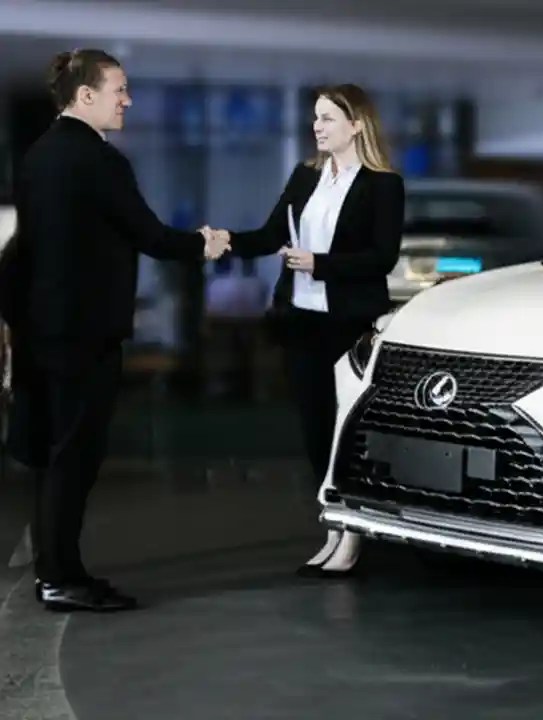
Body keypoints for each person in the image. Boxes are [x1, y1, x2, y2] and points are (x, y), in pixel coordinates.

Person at [0, 49, 229, 612]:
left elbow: (23, 250)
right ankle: (61, 579)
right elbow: (150, 235)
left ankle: (55, 572)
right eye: (119, 89)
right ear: (86, 96)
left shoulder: (38, 155)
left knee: (53, 456)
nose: (128, 100)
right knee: (75, 458)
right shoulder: (99, 161)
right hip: (84, 335)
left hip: (39, 331)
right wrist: (203, 245)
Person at [204, 84, 405, 578]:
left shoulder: (383, 185)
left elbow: (382, 258)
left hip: (348, 326)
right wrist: (226, 240)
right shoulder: (305, 176)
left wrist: (319, 263)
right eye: (316, 117)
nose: (317, 126)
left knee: (346, 434)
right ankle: (334, 528)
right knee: (316, 433)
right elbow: (271, 235)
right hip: (302, 322)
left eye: (328, 118)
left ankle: (352, 533)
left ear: (357, 125)